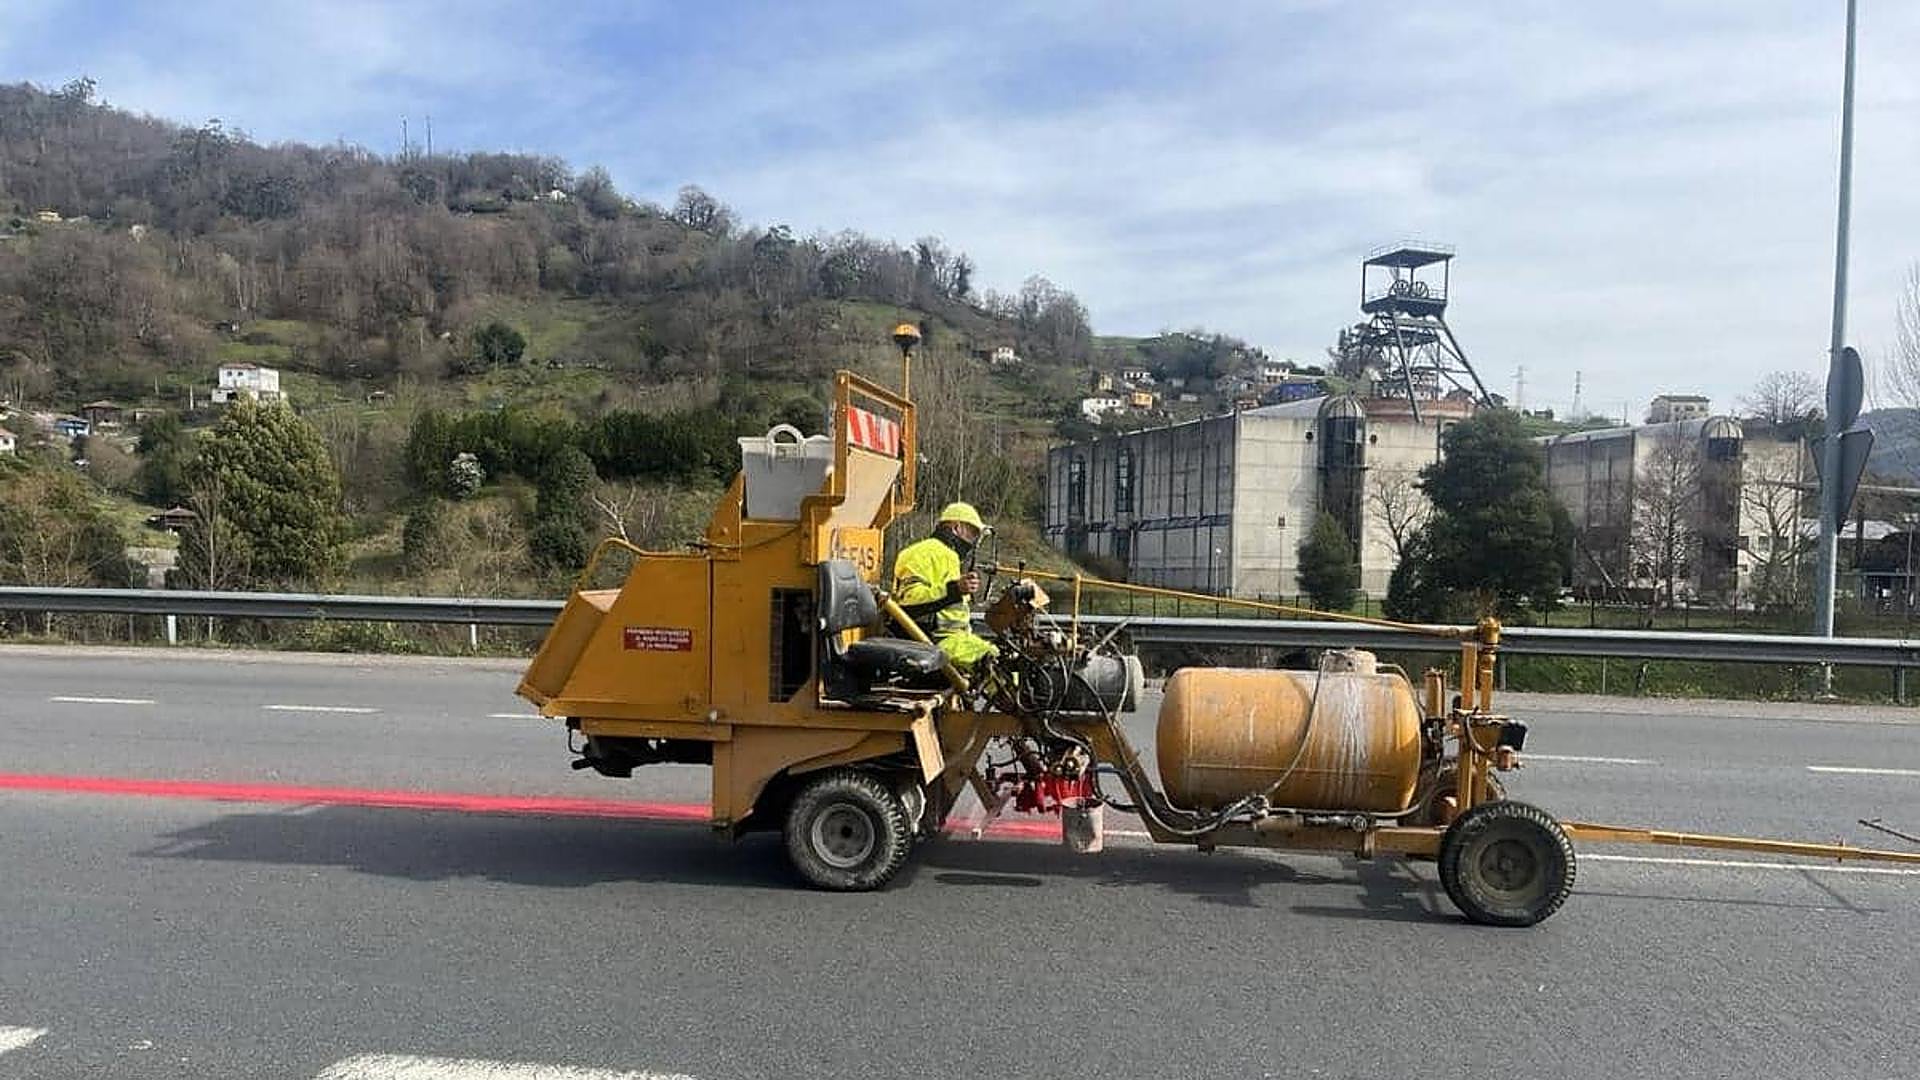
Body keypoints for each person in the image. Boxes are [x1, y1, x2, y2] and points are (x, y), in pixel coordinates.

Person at [892, 502, 999, 670]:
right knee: (996, 666)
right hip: (935, 641)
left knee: (1003, 659)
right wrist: (955, 589)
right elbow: (908, 601)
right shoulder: (922, 553)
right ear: (956, 528)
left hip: (955, 638)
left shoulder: (950, 557)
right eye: (972, 534)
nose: (974, 543)